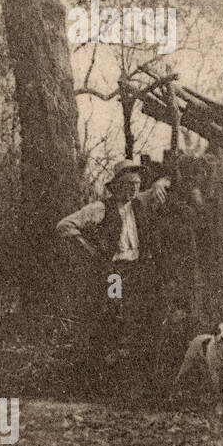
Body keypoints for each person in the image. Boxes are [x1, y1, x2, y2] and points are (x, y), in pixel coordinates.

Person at [56, 159, 171, 388]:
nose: (133, 188)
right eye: (128, 183)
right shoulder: (101, 208)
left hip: (136, 270)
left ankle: (135, 376)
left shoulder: (140, 202)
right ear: (116, 185)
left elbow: (170, 182)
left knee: (139, 317)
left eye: (137, 183)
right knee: (113, 312)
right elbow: (64, 226)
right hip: (114, 271)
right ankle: (102, 375)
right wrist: (88, 248)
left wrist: (159, 182)